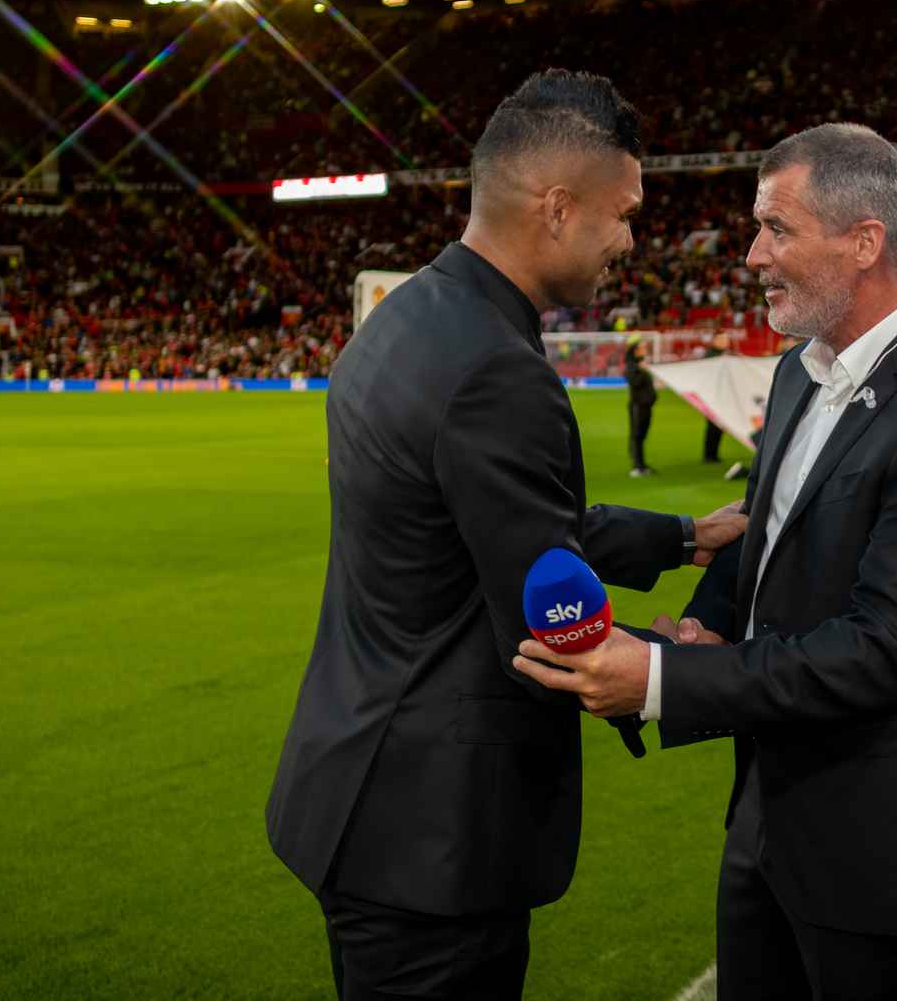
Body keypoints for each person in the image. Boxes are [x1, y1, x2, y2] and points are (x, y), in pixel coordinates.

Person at [265, 69, 748, 1001]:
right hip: (431, 838)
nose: (631, 240)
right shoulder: (498, 367)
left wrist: (686, 536)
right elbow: (546, 625)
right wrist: (686, 666)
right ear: (558, 209)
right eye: (624, 214)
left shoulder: (405, 317)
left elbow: (497, 524)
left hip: (361, 784)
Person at [515, 123, 897, 1000]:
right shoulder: (795, 373)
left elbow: (884, 648)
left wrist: (665, 681)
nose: (752, 256)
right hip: (764, 810)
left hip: (878, 835)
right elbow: (766, 534)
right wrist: (709, 620)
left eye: (775, 229)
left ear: (863, 242)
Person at [626, 339, 657, 476]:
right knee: (637, 436)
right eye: (643, 348)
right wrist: (642, 370)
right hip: (638, 406)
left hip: (646, 405)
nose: (646, 350)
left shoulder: (641, 364)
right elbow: (634, 383)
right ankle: (637, 466)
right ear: (636, 351)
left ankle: (642, 465)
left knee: (642, 436)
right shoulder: (632, 366)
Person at [703, 332, 733, 463]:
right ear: (714, 341)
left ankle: (713, 454)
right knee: (713, 426)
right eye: (721, 339)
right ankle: (709, 455)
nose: (725, 341)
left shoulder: (726, 354)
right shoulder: (710, 356)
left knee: (718, 426)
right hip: (712, 396)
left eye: (726, 339)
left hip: (722, 395)